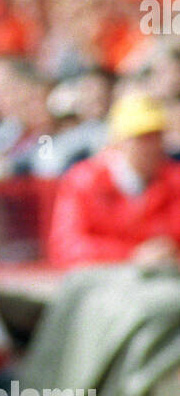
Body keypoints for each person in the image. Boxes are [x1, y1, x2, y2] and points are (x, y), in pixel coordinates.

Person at [47, 92, 180, 269]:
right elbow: (66, 247)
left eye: (157, 136)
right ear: (119, 141)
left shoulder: (174, 180)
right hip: (104, 282)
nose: (151, 146)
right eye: (141, 138)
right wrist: (132, 255)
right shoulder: (84, 181)